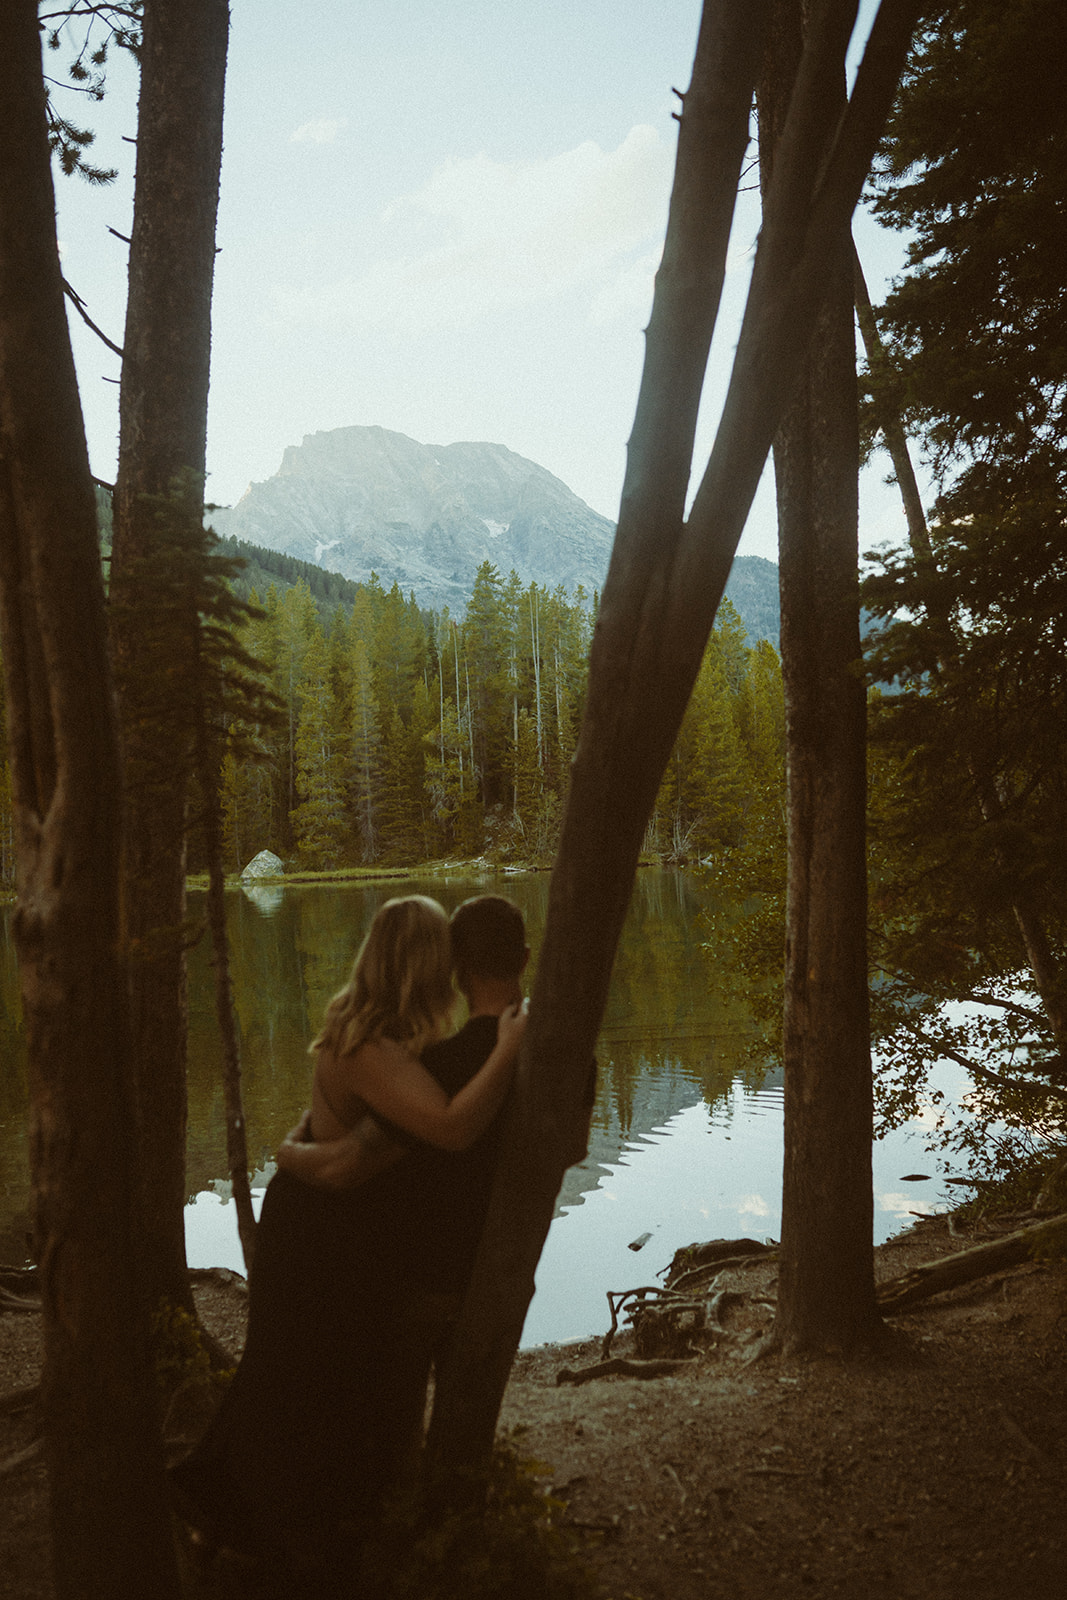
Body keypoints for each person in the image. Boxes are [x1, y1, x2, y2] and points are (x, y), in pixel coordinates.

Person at [170, 894, 526, 1580]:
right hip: (318, 1237)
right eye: (444, 956)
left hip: (346, 1232)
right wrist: (507, 1050)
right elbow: (445, 1130)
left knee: (318, 1382)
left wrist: (297, 1149)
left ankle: (271, 1525)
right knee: (295, 1380)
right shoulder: (368, 1044)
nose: (454, 970)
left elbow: (365, 1142)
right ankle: (247, 1525)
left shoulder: (396, 1039)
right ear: (423, 962)